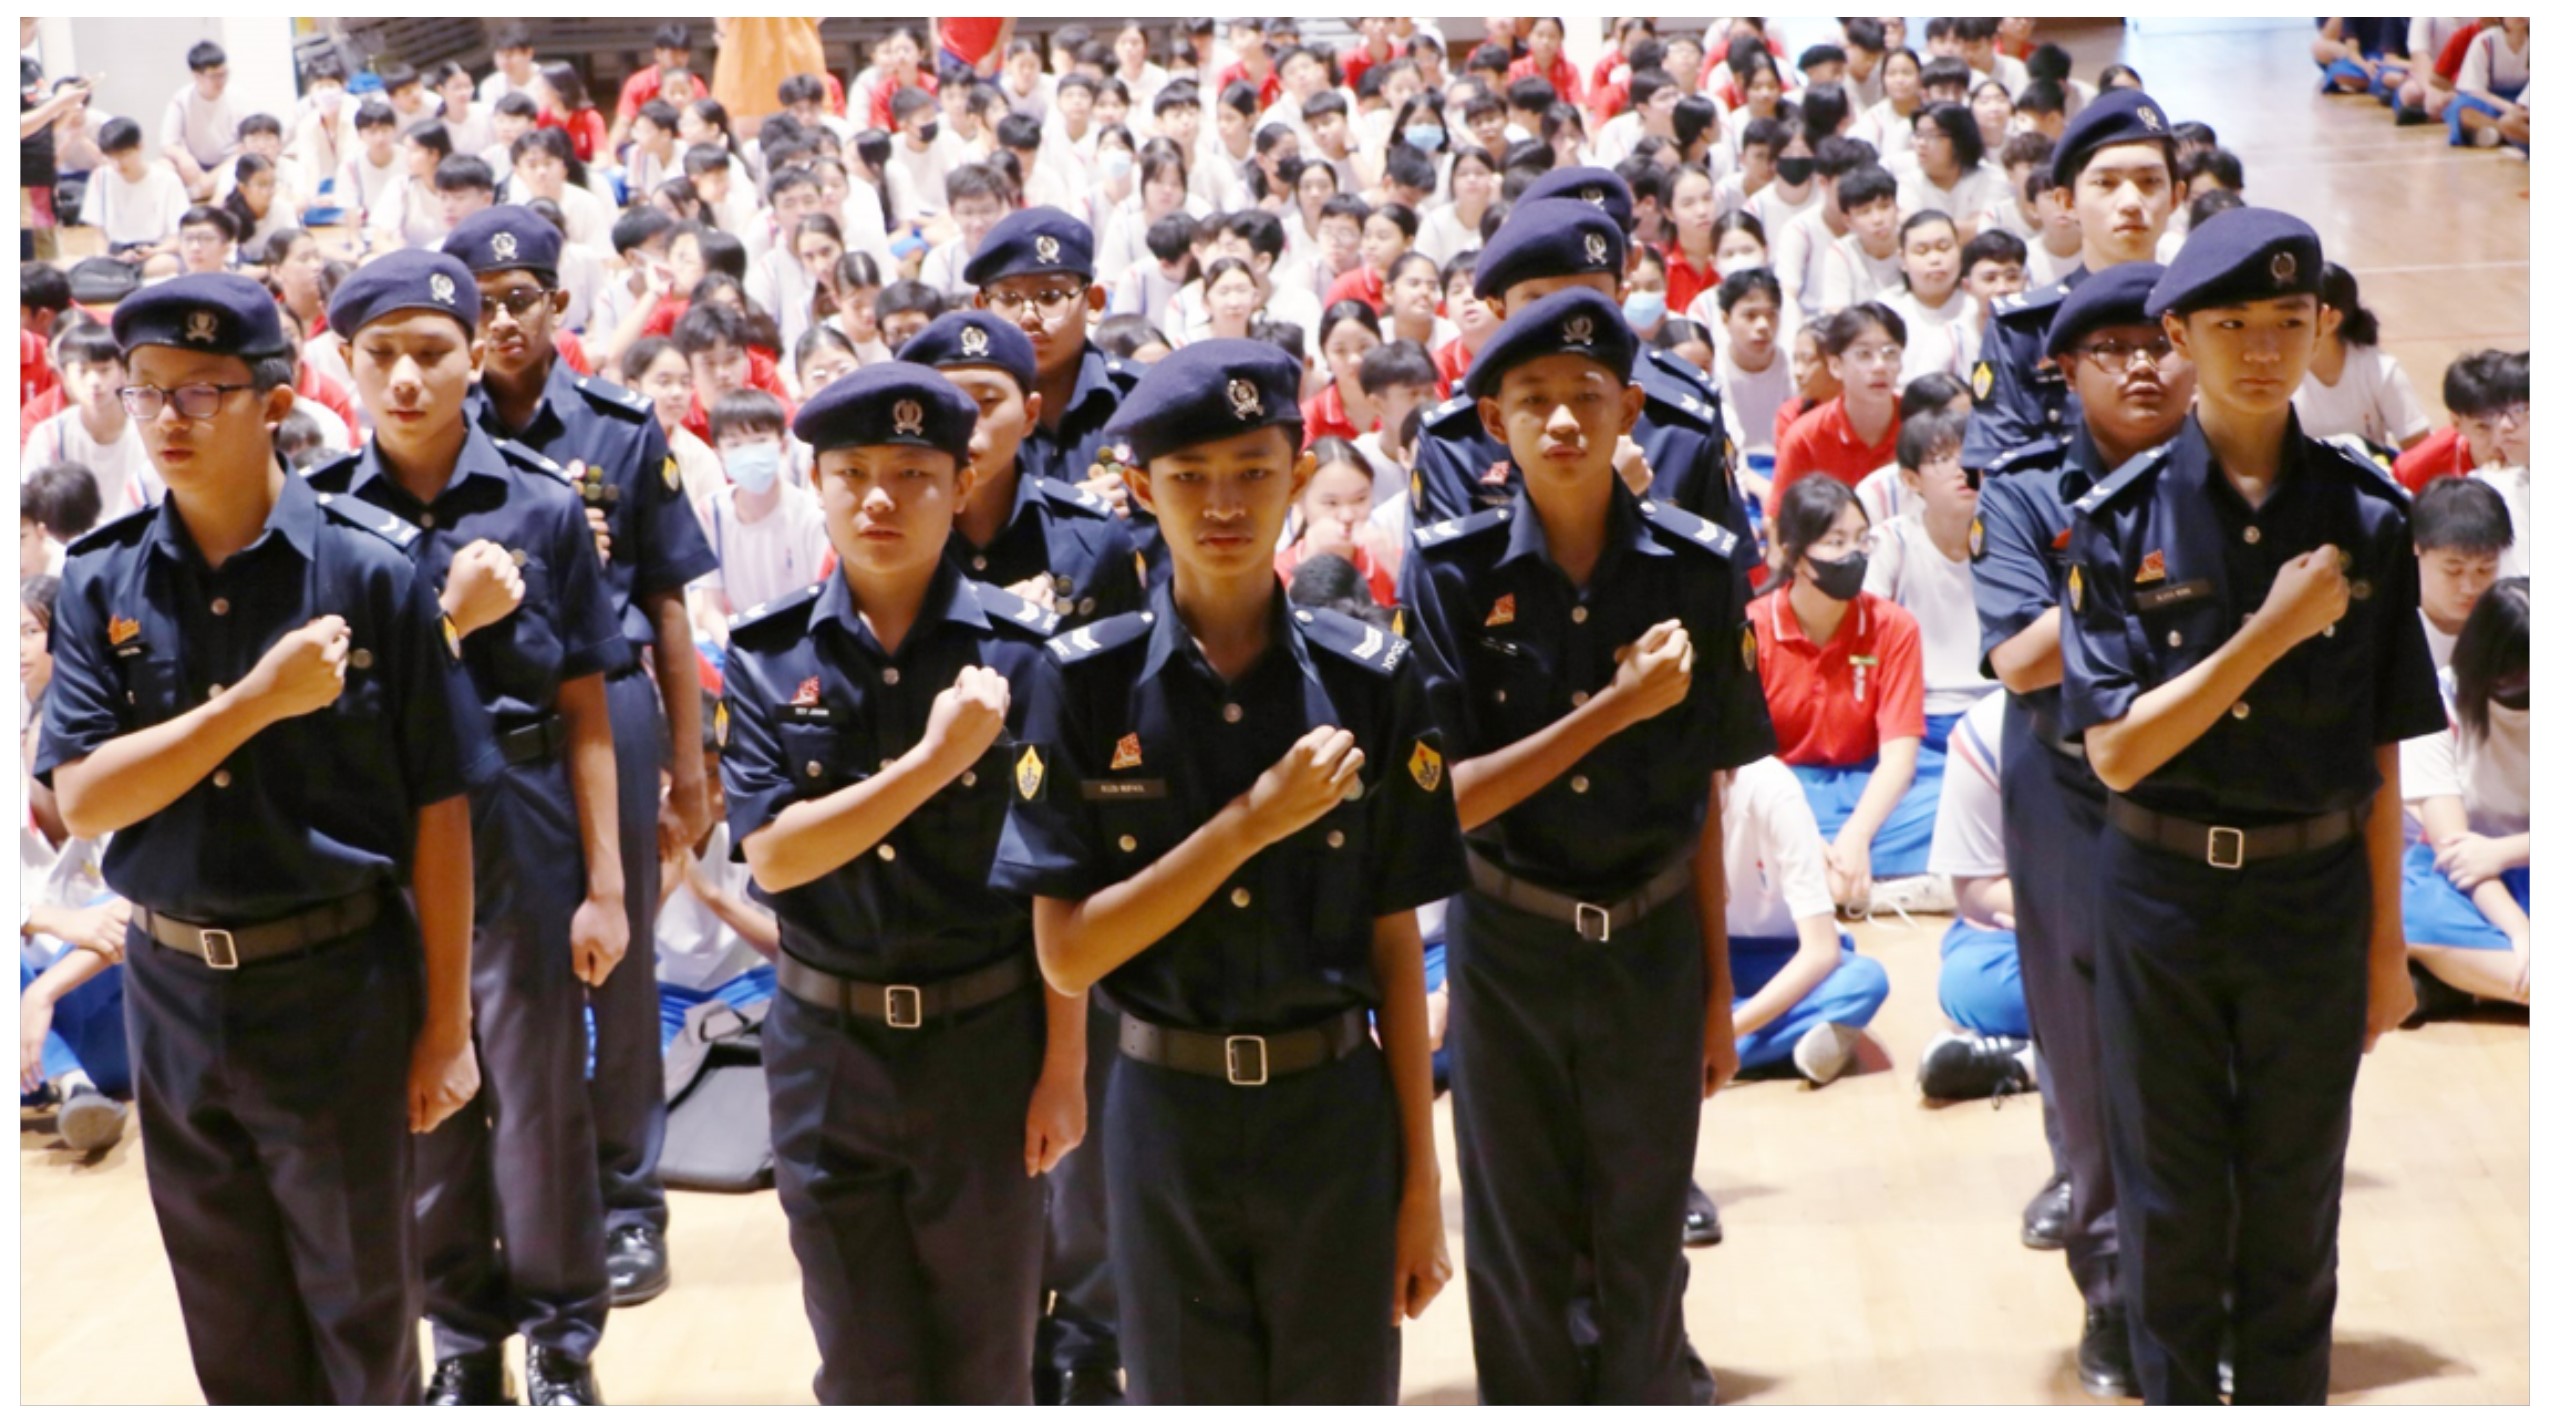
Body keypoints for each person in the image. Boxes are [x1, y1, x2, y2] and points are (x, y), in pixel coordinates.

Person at [35, 272, 481, 1402]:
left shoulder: (371, 570)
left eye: (202, 392)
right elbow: (84, 800)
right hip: (174, 988)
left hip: (336, 986)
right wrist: (249, 704)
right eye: (146, 394)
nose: (169, 420)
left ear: (274, 403)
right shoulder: (101, 580)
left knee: (364, 1318)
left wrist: (446, 1023)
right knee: (229, 1327)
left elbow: (442, 809)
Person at [993, 339, 1461, 1403]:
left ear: (1299, 477)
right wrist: (1250, 824)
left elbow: (1396, 949)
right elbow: (1067, 956)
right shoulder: (1086, 685)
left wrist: (1422, 1187)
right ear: (1139, 489)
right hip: (1165, 1119)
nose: (1224, 503)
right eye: (1190, 476)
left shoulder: (1371, 679)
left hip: (1334, 1113)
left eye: (1254, 470)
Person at [2059, 209, 2445, 1403]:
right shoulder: (2119, 523)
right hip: (2161, 899)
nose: (2264, 348)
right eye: (2231, 324)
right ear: (2178, 335)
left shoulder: (2369, 515)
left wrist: (2388, 946)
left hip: (2313, 895)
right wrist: (2271, 634)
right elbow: (2118, 752)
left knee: (2295, 1203)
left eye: (2291, 322)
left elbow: (2381, 754)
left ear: (2323, 327)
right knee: (2169, 1204)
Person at [1401, 290, 1770, 1405]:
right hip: (1509, 942)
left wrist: (1715, 990)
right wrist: (1609, 712)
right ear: (1491, 422)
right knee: (1517, 1241)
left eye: (1586, 397)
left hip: (1653, 939)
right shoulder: (1453, 574)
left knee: (1645, 1234)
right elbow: (1443, 805)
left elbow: (1704, 799)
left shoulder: (1697, 570)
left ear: (1632, 412)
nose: (1562, 421)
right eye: (1533, 401)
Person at [713, 359, 1087, 1403]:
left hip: (989, 1043)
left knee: (989, 1364)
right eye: (855, 471)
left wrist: (1064, 1067)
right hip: (827, 1049)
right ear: (817, 484)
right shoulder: (762, 655)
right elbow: (777, 856)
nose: (881, 498)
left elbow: (1062, 871)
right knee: (863, 1366)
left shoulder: (1026, 654)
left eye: (914, 473)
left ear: (962, 487)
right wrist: (931, 765)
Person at [308, 250, 631, 1407]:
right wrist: (448, 617)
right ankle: (461, 1334)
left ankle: (560, 1337)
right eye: (380, 356)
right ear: (343, 364)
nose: (406, 378)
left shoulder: (542, 503)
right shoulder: (325, 523)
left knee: (541, 1093)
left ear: (471, 355)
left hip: (526, 810)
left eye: (430, 353)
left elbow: (589, 704)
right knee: (427, 1083)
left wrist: (607, 885)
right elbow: (339, 711)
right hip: (393, 827)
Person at [444, 205, 717, 1315]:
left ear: (560, 305)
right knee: (499, 964)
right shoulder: (435, 435)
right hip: (483, 717)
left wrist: (691, 772)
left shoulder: (618, 427)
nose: (502, 320)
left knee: (625, 962)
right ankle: (524, 1195)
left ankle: (628, 1203)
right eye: (482, 301)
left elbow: (668, 604)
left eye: (522, 298)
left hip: (610, 700)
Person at [1970, 260, 2194, 1398]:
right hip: (2066, 787)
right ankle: (2111, 1298)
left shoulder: (2244, 473)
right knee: (2086, 1049)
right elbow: (2015, 659)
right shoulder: (2022, 487)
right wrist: (2164, 579)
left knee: (2210, 1047)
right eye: (2111, 351)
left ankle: (2212, 1289)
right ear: (2063, 372)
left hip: (2209, 784)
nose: (2143, 365)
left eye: (2160, 342)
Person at [1406, 171, 1754, 579]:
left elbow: (1719, 588)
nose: (1562, 323)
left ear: (1622, 291)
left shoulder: (1682, 420)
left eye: (1588, 300)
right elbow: (1447, 596)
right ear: (1499, 306)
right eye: (1539, 304)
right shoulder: (1458, 437)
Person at [1964, 90, 2181, 470]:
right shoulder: (2024, 330)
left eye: (2149, 182)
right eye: (2106, 183)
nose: (2131, 201)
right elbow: (1996, 471)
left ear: (2177, 197)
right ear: (2067, 202)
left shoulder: (2203, 317)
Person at [897, 309, 1139, 631]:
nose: (968, 425)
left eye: (988, 401)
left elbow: (1123, 671)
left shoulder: (1091, 536)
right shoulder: (889, 535)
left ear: (1029, 414)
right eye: (946, 404)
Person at [1718, 754, 1893, 1084]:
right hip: (1713, 963)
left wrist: (1723, 1036)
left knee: (1864, 981)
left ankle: (1711, 1061)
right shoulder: (1662, 792)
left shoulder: (1773, 789)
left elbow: (1821, 952)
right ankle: (1805, 1037)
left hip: (1791, 957)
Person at [2400, 578, 2530, 1010]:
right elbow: (2454, 850)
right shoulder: (2437, 701)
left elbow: (2489, 855)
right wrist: (2520, 931)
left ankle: (2458, 980)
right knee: (2412, 911)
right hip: (2467, 883)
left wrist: (2506, 851)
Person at [1916, 688, 2041, 1096]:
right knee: (1967, 983)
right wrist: (2063, 918)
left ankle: (2028, 1063)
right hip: (2028, 931)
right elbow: (1976, 892)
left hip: (2139, 930)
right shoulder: (1987, 727)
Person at [1866, 405, 1993, 733]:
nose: (1962, 468)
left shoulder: (2011, 537)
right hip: (1917, 711)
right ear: (1911, 480)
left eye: (1969, 455)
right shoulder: (1891, 542)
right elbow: (1865, 630)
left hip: (2000, 705)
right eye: (1941, 459)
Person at [1770, 303, 1903, 520]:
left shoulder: (1921, 425)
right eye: (1864, 354)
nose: (1880, 366)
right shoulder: (1804, 437)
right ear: (1835, 366)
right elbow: (1780, 523)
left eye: (1890, 353)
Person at [2294, 264, 2429, 453]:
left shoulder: (2381, 370)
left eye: (2298, 310)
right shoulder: (2281, 371)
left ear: (2331, 319)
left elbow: (2420, 450)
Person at [2410, 478, 2517, 670]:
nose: (2470, 587)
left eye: (2485, 569)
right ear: (2417, 549)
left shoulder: (2515, 619)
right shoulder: (2386, 625)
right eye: (2454, 570)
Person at [2394, 349, 2526, 493]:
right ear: (2457, 423)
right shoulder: (2416, 470)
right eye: (2483, 427)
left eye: (2509, 418)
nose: (2498, 440)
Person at [80, 117, 191, 255]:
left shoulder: (167, 180)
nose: (117, 164)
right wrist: (104, 259)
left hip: (156, 251)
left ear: (140, 146)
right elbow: (99, 235)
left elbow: (177, 237)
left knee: (164, 265)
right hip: (116, 253)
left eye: (124, 155)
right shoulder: (100, 177)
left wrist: (153, 252)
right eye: (111, 157)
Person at [160, 40, 237, 201]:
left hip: (227, 162)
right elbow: (168, 143)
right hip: (196, 166)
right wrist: (183, 157)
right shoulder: (181, 99)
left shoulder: (238, 98)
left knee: (240, 161)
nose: (221, 80)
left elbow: (246, 144)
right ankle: (198, 192)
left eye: (224, 74)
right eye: (214, 76)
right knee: (164, 165)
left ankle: (198, 192)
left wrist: (210, 178)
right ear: (197, 76)